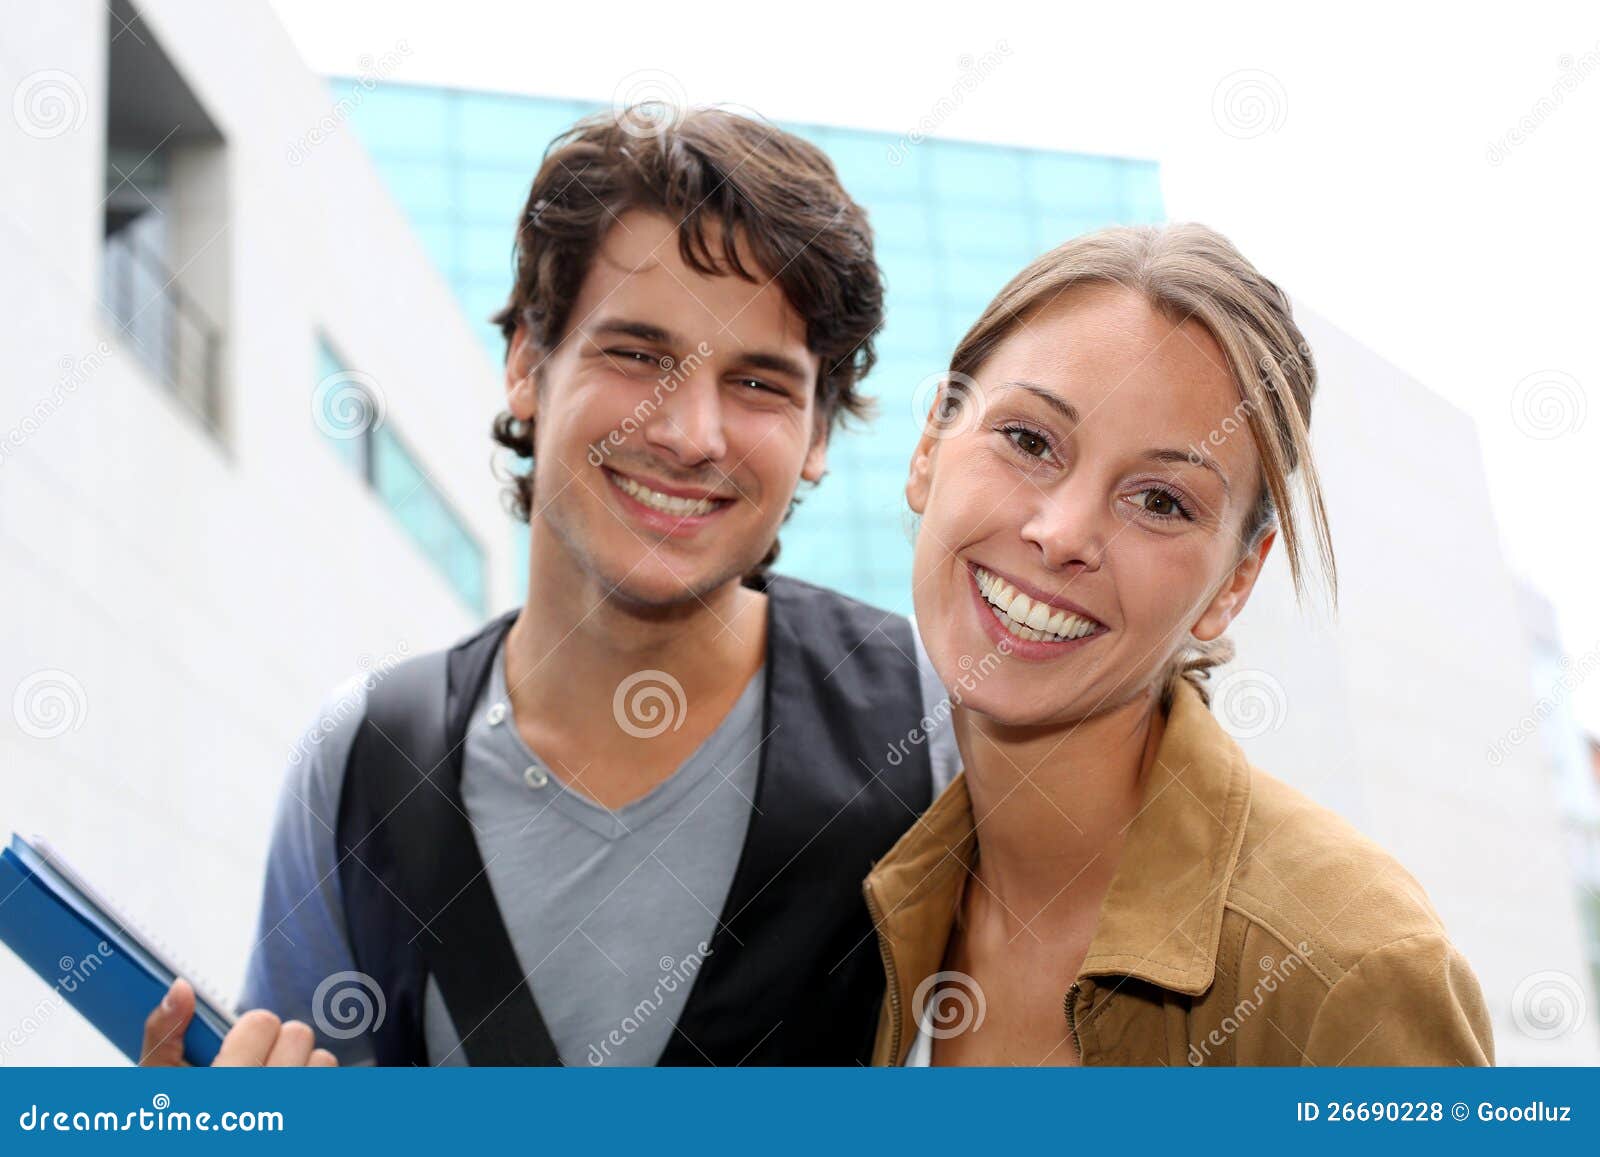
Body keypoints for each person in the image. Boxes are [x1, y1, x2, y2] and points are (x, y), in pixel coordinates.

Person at [141, 105, 957, 1068]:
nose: (690, 434)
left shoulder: (936, 725)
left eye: (759, 383)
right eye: (639, 355)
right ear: (528, 366)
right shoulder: (361, 758)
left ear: (817, 433)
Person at [866, 223, 1495, 1066]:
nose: (1063, 533)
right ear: (928, 446)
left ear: (1236, 580)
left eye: (1161, 500)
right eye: (1028, 440)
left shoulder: (1351, 970)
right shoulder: (855, 864)